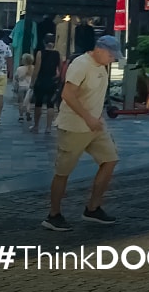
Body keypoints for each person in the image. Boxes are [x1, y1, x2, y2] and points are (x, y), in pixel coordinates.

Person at [43, 36, 123, 232]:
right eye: (111, 55)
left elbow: (94, 96)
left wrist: (98, 116)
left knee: (110, 159)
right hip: (74, 127)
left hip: (94, 126)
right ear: (99, 49)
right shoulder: (81, 65)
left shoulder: (101, 66)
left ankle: (93, 208)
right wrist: (88, 117)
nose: (113, 59)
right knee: (63, 172)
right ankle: (53, 215)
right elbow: (67, 94)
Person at [31, 35, 62, 134]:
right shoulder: (58, 54)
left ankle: (36, 126)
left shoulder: (40, 53)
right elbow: (60, 68)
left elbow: (37, 68)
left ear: (44, 42)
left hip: (41, 80)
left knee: (38, 103)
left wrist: (32, 81)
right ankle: (48, 127)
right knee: (50, 104)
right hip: (52, 81)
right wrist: (58, 77)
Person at [13, 53, 34, 123]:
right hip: (29, 87)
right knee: (28, 102)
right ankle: (28, 112)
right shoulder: (33, 68)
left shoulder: (19, 68)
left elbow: (16, 77)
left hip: (21, 87)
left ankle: (21, 116)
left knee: (20, 102)